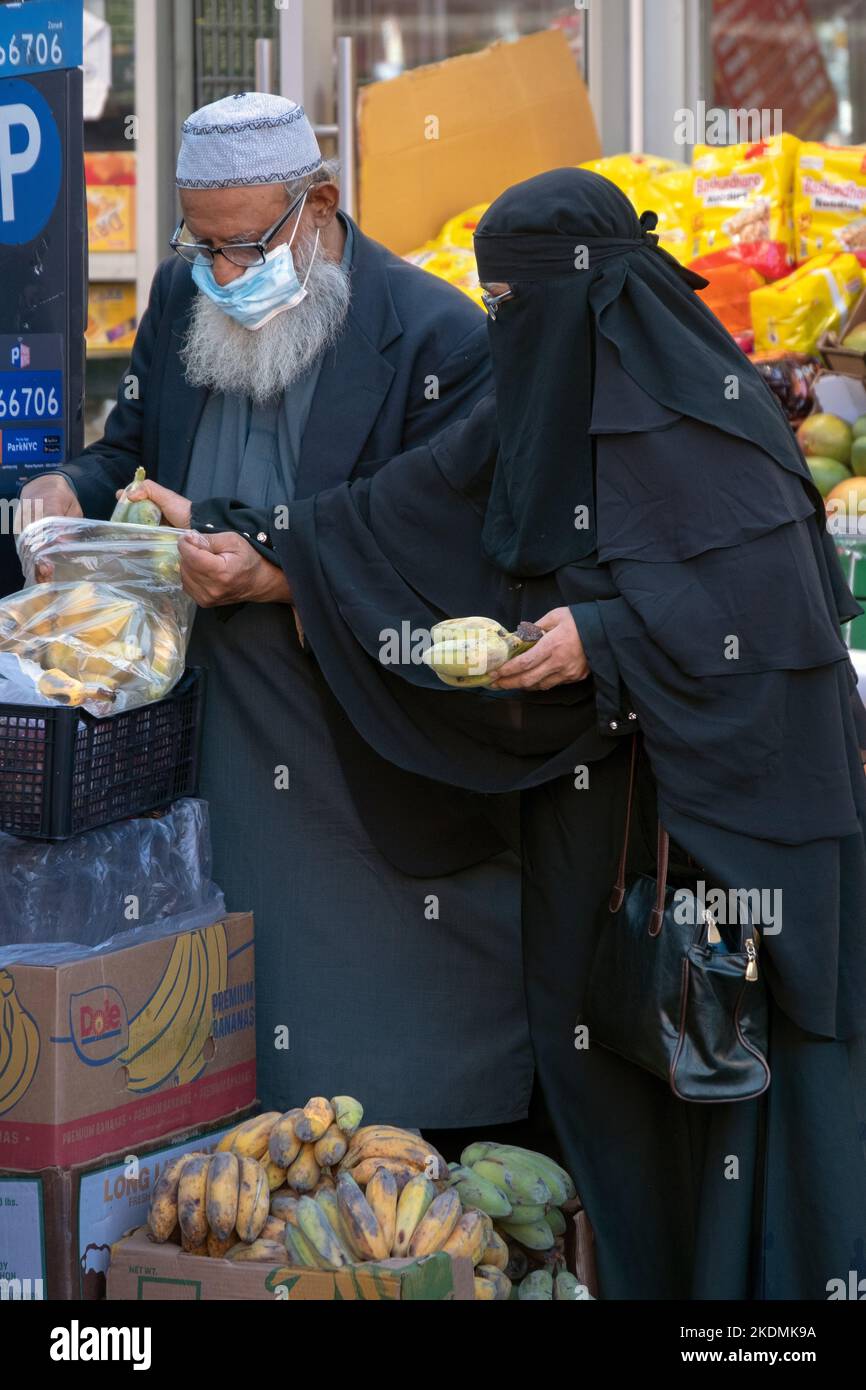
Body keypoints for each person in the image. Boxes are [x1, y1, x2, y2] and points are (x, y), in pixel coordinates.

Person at [171, 168, 866, 1300]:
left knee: (733, 1090)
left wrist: (604, 633)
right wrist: (268, 547)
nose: (505, 328)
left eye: (514, 303)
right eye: (489, 304)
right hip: (594, 838)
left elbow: (769, 620)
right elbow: (411, 503)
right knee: (604, 1084)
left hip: (726, 847)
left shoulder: (712, 422)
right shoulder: (541, 387)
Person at [19, 93, 530, 1134]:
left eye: (244, 245)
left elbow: (446, 548)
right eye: (200, 244)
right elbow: (130, 448)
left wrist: (283, 571)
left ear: (319, 205)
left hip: (350, 723)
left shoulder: (434, 335)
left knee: (362, 1014)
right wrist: (73, 486)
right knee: (213, 976)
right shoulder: (178, 297)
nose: (223, 272)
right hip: (207, 718)